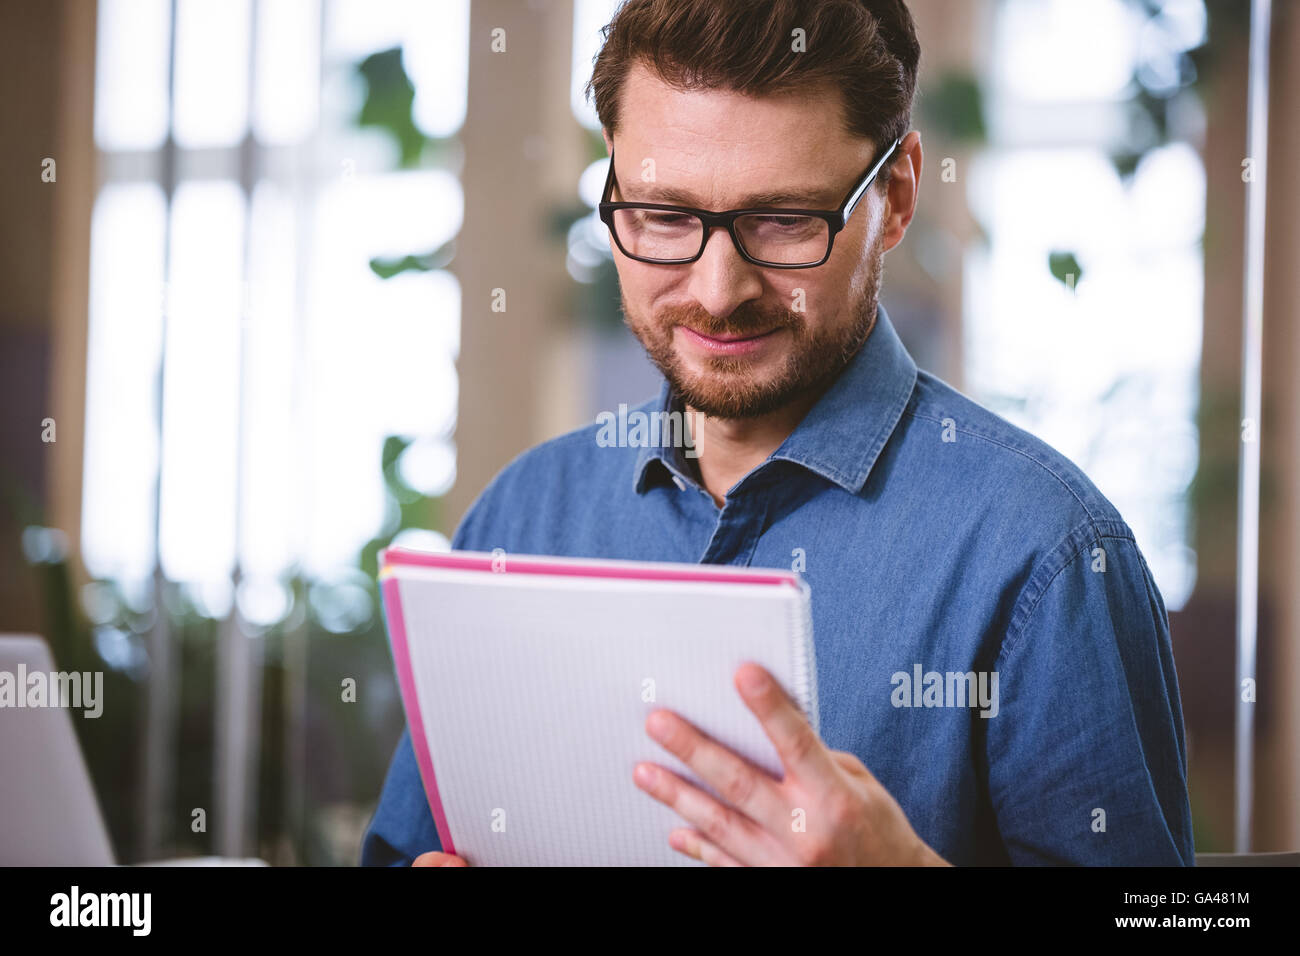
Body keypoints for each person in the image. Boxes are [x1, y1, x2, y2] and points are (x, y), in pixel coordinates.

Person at [362, 0, 1194, 866]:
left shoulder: (1047, 557)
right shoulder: (520, 522)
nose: (718, 291)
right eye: (665, 215)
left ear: (897, 197)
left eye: (786, 221)